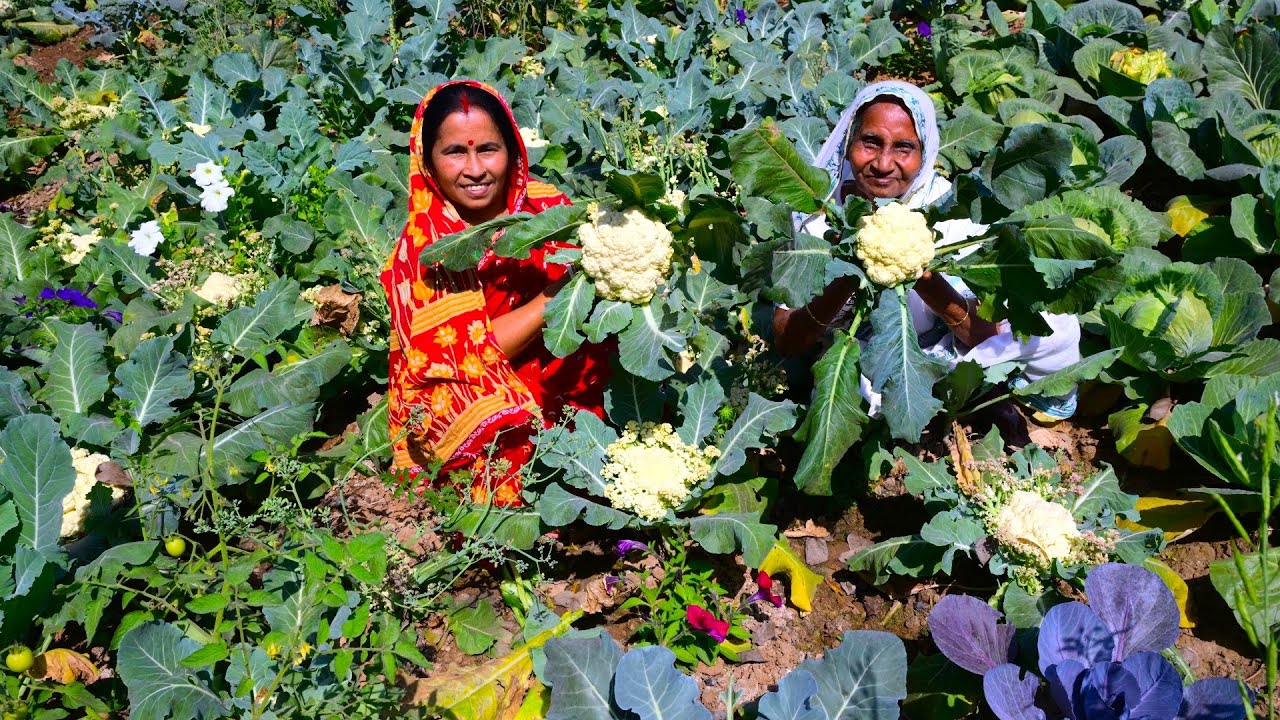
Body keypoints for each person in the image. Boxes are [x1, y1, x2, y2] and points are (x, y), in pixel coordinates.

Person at [772, 80, 1080, 421]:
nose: (883, 163)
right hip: (864, 352)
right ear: (848, 142)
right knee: (858, 395)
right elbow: (787, 342)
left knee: (1057, 327)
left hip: (946, 342)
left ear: (924, 153)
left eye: (904, 147)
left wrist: (925, 278)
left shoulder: (947, 207)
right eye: (870, 142)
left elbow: (981, 333)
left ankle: (997, 392)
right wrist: (847, 273)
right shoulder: (816, 214)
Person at [381, 80, 609, 506]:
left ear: (513, 150)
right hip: (486, 402)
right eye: (454, 152)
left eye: (488, 149)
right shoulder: (424, 250)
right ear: (427, 161)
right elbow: (473, 359)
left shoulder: (547, 207)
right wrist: (562, 292)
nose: (475, 169)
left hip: (567, 384)